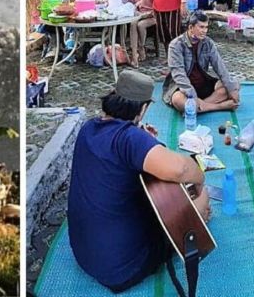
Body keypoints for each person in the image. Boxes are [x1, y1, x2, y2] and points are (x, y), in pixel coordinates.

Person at [68, 70, 210, 293]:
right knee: (201, 202)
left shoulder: (88, 128)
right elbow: (180, 169)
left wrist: (144, 140)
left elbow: (118, 156)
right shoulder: (129, 138)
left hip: (84, 254)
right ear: (143, 109)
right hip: (122, 267)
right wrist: (200, 178)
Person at [164, 11, 240, 113]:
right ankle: (219, 106)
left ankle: (198, 108)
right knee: (178, 100)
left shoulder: (208, 43)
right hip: (184, 88)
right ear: (191, 27)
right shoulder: (175, 45)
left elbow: (220, 67)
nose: (205, 31)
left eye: (206, 27)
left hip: (203, 84)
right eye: (201, 27)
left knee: (234, 85)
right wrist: (193, 97)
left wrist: (232, 90)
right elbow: (179, 75)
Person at [128, 0, 156, 64]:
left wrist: (150, 13)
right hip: (140, 15)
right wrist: (139, 13)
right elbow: (131, 7)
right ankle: (134, 51)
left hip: (152, 16)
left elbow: (157, 5)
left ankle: (141, 47)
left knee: (141, 25)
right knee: (133, 23)